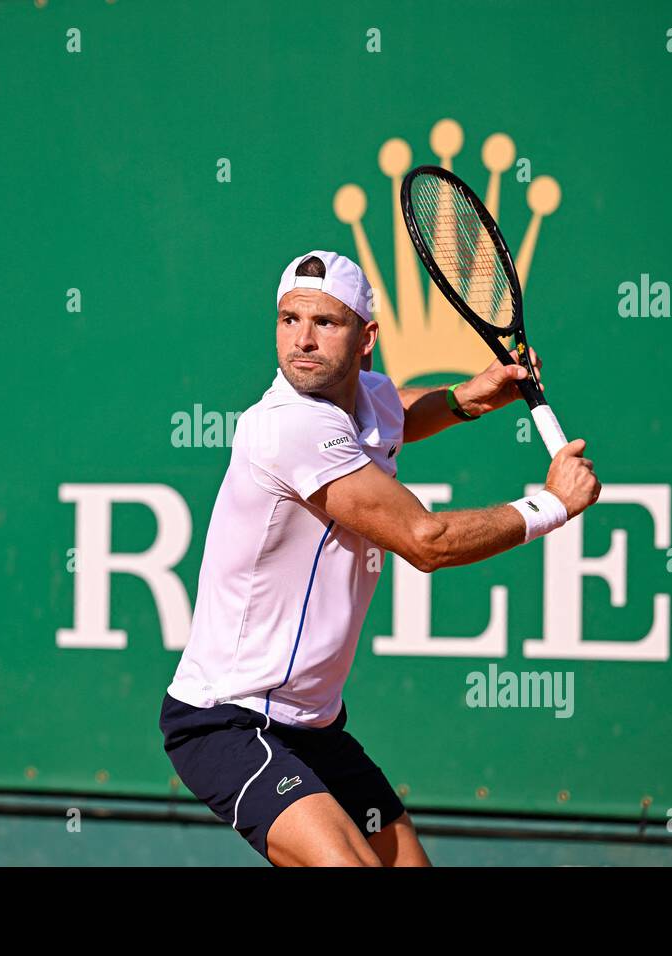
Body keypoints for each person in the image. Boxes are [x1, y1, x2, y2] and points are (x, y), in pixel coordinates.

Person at [159, 250, 601, 866]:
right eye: (289, 320)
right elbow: (427, 541)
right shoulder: (290, 426)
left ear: (366, 338)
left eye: (325, 323)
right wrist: (551, 504)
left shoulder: (360, 397)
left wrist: (467, 397)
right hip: (230, 722)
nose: (302, 341)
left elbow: (391, 411)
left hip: (315, 727)